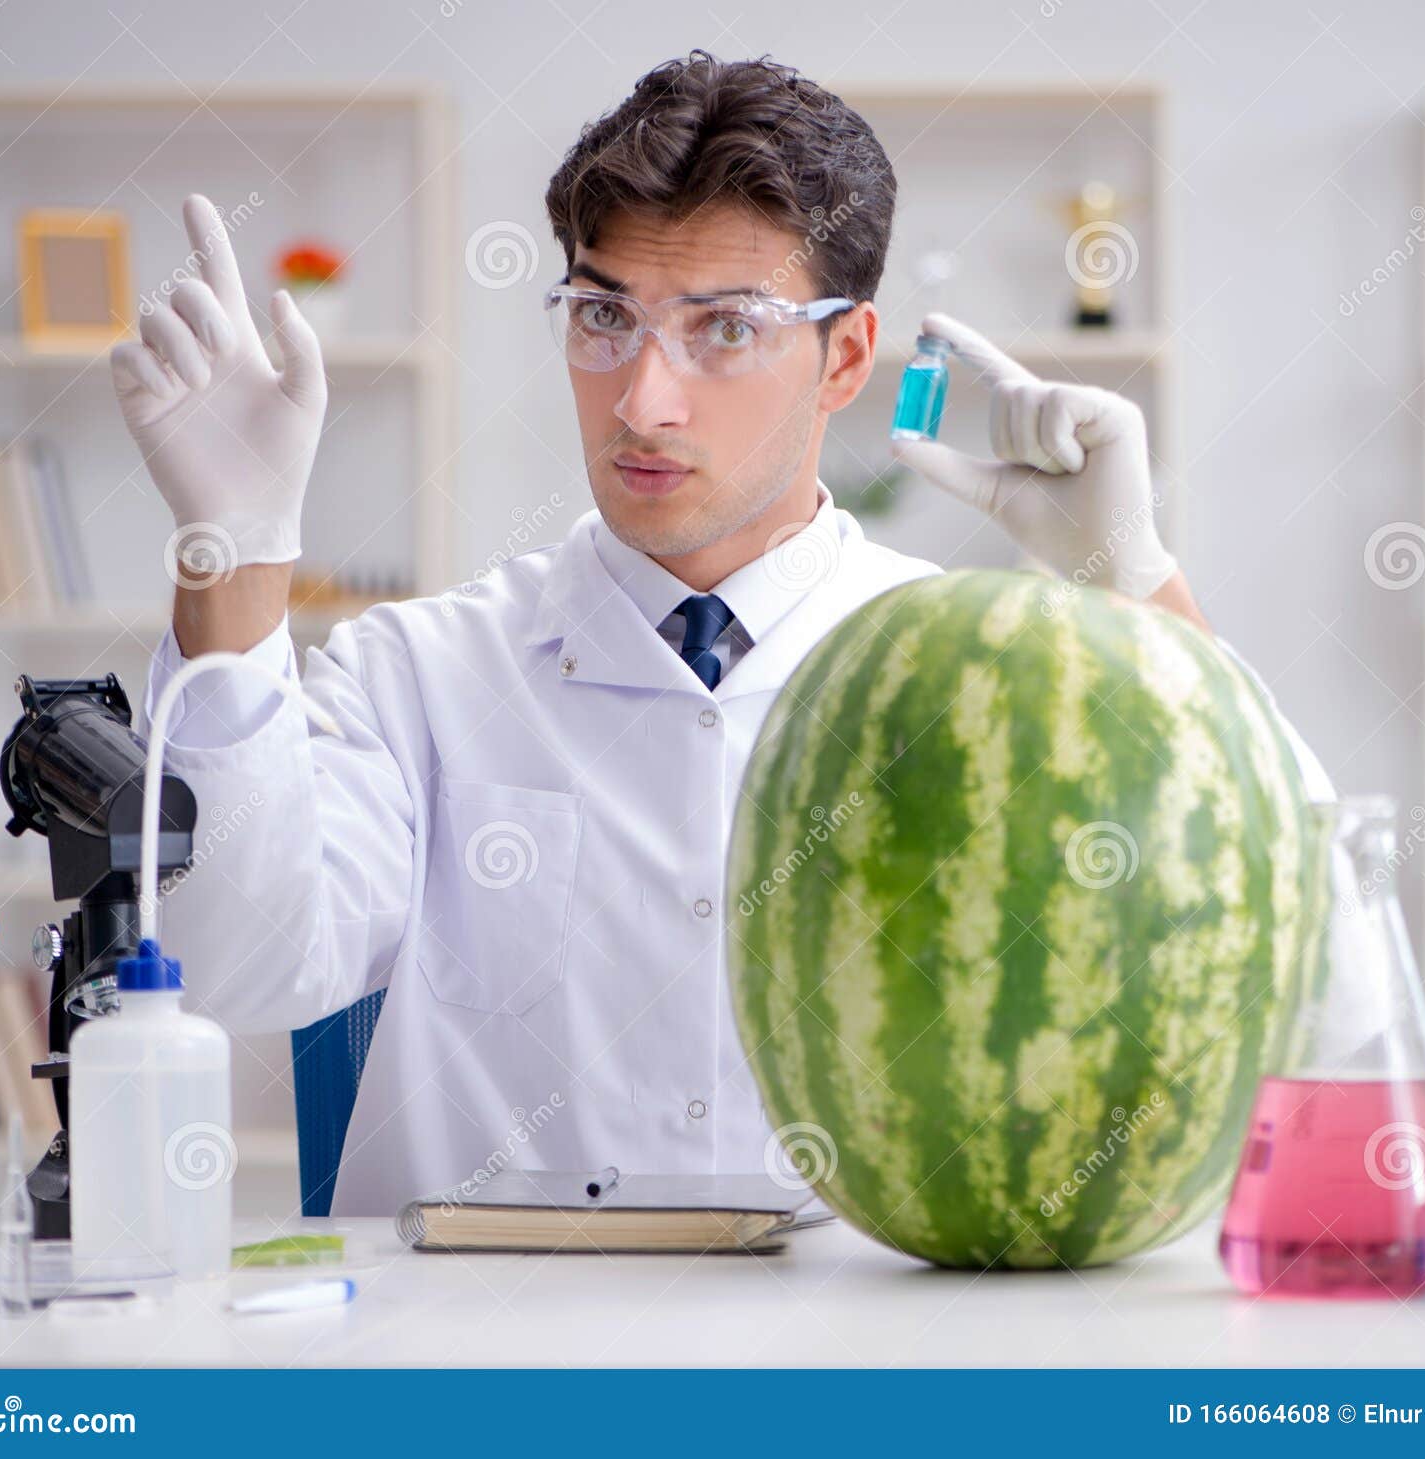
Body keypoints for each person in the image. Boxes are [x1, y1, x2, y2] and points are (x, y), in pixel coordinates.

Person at [110, 51, 1326, 1217]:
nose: (643, 398)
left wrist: (1134, 583)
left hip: (860, 1364)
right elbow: (234, 966)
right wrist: (235, 549)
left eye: (726, 327)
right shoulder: (423, 671)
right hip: (489, 1371)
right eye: (603, 317)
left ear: (845, 355)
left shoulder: (966, 663)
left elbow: (1306, 916)